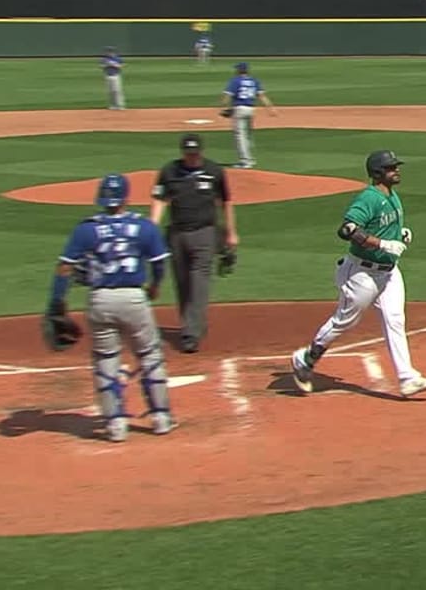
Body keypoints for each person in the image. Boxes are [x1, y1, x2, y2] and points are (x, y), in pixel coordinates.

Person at [291, 150, 426, 399]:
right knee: (344, 322)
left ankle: (407, 378)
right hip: (362, 273)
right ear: (378, 173)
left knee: (395, 320)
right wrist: (381, 244)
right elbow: (347, 229)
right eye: (392, 167)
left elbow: (383, 225)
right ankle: (306, 359)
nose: (397, 170)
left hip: (389, 273)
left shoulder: (391, 196)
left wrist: (399, 234)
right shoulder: (369, 198)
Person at [48, 173, 175, 443]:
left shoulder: (86, 229)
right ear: (126, 198)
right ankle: (161, 417)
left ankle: (115, 424)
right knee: (150, 355)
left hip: (100, 300)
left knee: (106, 360)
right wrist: (155, 286)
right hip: (133, 298)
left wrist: (57, 303)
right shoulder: (144, 227)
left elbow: (64, 267)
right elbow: (160, 263)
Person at [149, 134, 238, 353]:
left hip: (205, 233)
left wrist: (231, 232)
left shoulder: (214, 172)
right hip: (177, 233)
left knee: (200, 281)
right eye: (188, 154)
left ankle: (190, 333)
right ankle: (194, 323)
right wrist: (152, 227)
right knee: (182, 283)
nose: (191, 157)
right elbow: (160, 201)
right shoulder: (169, 172)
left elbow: (225, 203)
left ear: (201, 152)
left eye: (195, 153)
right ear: (183, 153)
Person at [221, 61, 278, 169]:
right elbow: (262, 96)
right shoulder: (254, 81)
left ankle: (245, 161)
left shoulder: (235, 81)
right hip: (251, 109)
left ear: (239, 70)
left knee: (240, 136)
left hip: (239, 109)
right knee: (248, 135)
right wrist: (271, 108)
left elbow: (227, 96)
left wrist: (224, 107)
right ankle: (250, 159)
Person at [101, 46, 125, 110]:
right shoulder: (104, 59)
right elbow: (102, 66)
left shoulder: (117, 58)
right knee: (110, 92)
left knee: (117, 91)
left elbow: (121, 66)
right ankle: (112, 105)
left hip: (116, 76)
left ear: (113, 52)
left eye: (110, 52)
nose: (109, 53)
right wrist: (107, 64)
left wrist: (114, 64)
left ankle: (120, 105)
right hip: (108, 76)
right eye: (108, 52)